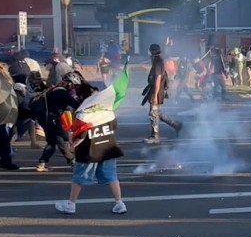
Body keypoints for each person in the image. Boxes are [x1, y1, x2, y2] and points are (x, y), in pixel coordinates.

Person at [54, 85, 127, 215]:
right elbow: (114, 127)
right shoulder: (108, 112)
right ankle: (119, 203)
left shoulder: (83, 115)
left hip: (89, 151)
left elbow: (80, 136)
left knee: (79, 178)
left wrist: (72, 144)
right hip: (108, 149)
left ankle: (71, 204)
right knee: (112, 177)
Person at [35, 72, 83, 172]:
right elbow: (76, 105)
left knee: (52, 142)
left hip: (45, 118)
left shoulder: (54, 89)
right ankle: (73, 162)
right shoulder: (61, 93)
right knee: (62, 140)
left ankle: (41, 163)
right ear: (69, 83)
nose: (73, 88)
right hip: (51, 119)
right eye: (73, 85)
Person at [142, 44, 182, 145]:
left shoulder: (158, 62)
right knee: (156, 112)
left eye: (150, 50)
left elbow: (158, 78)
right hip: (155, 90)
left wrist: (155, 95)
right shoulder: (156, 61)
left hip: (157, 90)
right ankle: (176, 124)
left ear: (152, 52)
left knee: (153, 113)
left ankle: (155, 136)